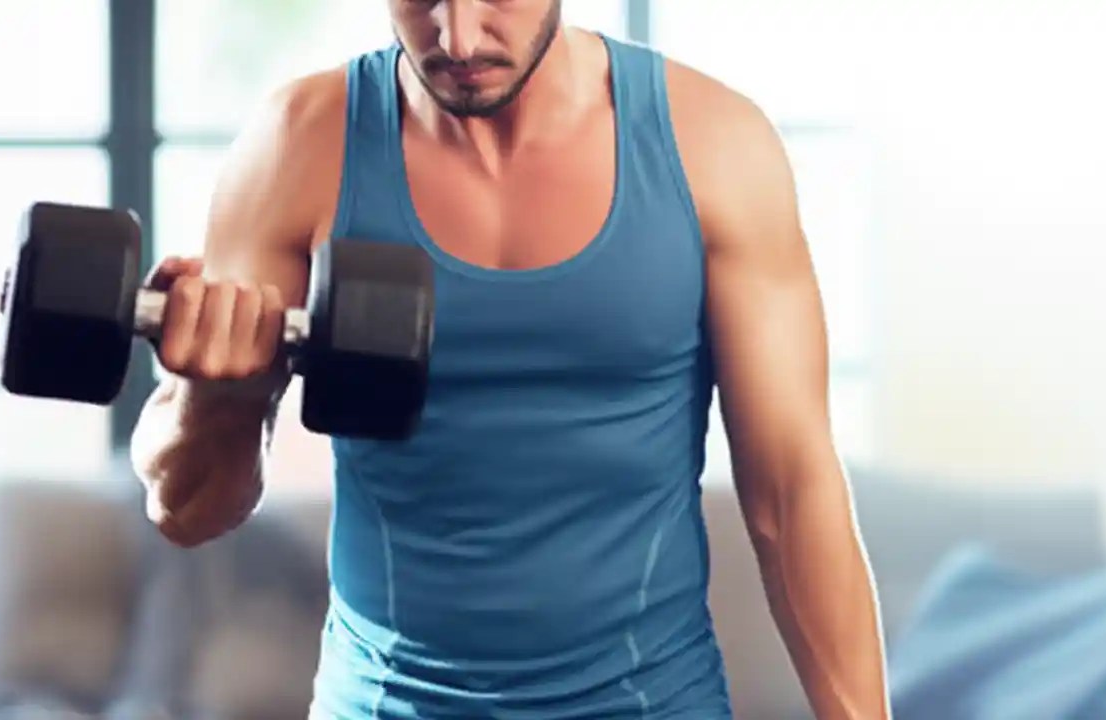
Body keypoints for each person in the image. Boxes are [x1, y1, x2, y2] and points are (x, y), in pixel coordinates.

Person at [129, 1, 891, 718]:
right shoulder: (299, 144)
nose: (457, 38)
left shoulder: (711, 144)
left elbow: (791, 491)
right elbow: (191, 509)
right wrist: (214, 394)